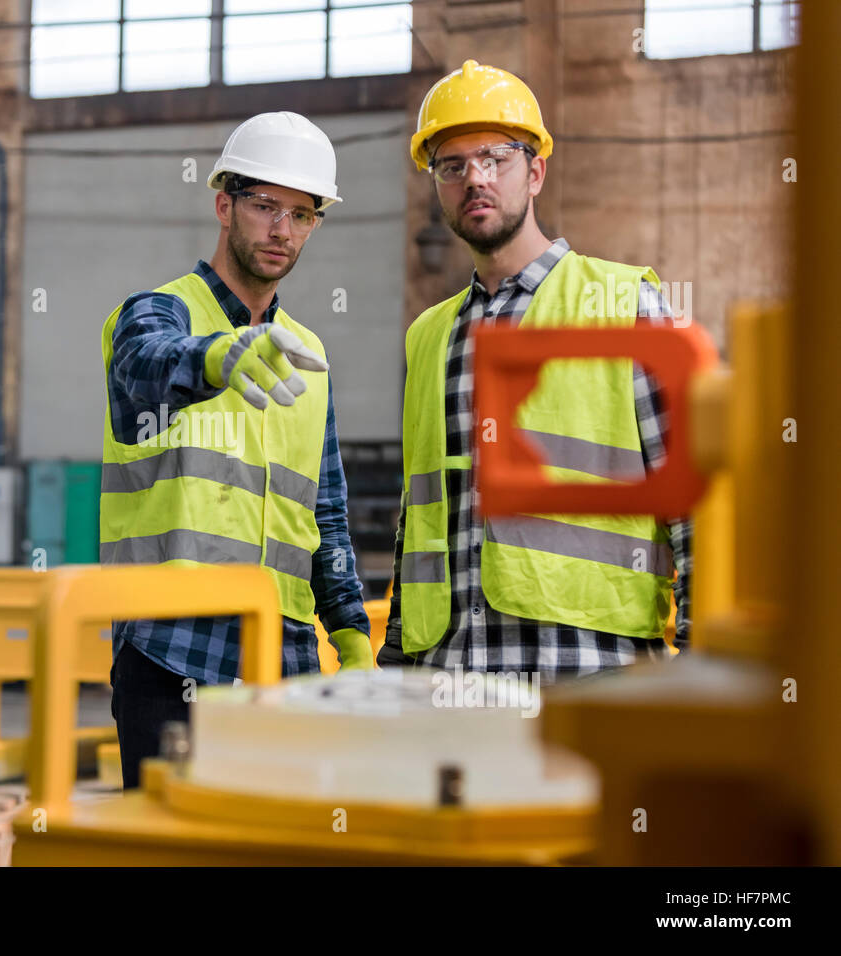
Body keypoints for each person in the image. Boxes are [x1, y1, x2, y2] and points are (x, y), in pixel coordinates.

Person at [379, 60, 691, 679]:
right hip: (448, 677)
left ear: (536, 170)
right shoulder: (429, 335)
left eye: (495, 157)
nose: (475, 178)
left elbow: (694, 499)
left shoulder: (626, 305)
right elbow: (421, 516)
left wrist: (708, 663)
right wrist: (396, 658)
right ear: (435, 183)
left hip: (590, 673)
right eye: (452, 165)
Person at [101, 111, 372, 789]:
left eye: (303, 214)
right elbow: (142, 363)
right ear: (224, 205)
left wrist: (351, 635)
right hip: (172, 653)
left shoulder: (307, 357)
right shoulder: (160, 311)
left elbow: (326, 515)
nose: (282, 230)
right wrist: (220, 355)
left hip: (282, 659)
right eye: (264, 206)